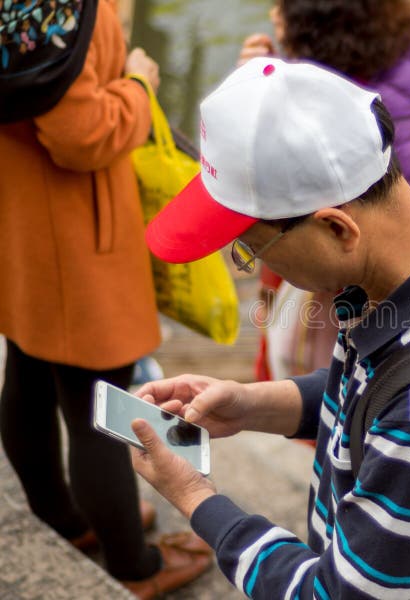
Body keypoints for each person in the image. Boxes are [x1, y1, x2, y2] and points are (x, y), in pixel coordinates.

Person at [133, 57, 410, 599]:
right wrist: (254, 404)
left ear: (337, 228)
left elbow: (335, 595)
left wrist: (194, 497)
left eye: (251, 251)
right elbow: (374, 389)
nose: (250, 266)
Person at [0, 1, 211, 597]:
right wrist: (140, 82)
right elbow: (82, 134)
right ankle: (131, 564)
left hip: (18, 218)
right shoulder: (64, 11)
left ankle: (63, 519)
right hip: (73, 234)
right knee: (98, 406)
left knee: (29, 371)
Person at [238, 0, 410, 381]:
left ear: (319, 27)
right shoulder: (406, 54)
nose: (272, 16)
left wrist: (265, 97)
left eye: (282, 10)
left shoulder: (371, 129)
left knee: (329, 373)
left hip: (360, 288)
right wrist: (272, 79)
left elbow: (380, 250)